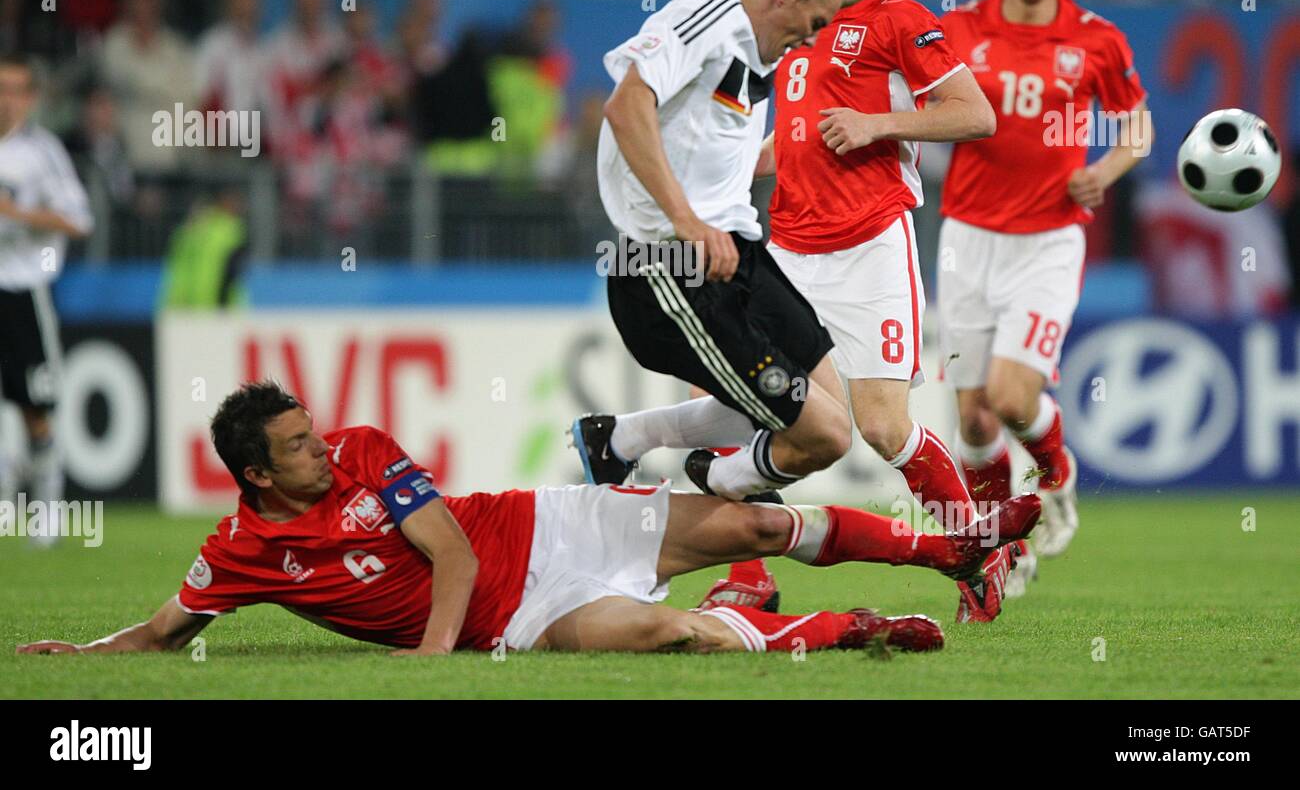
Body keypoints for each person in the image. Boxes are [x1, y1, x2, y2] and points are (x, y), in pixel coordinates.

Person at [17, 381, 1041, 657]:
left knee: (757, 526)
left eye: (314, 433)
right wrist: (89, 653)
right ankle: (844, 628)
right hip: (516, 624)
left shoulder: (366, 449)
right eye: (297, 449)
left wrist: (424, 657)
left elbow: (451, 555)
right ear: (255, 475)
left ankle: (951, 552)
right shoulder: (240, 553)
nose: (323, 450)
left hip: (542, 530)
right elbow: (167, 627)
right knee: (665, 634)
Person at [572, 0, 1009, 505]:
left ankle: (629, 444)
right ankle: (725, 531)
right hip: (684, 257)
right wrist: (688, 216)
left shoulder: (789, 20)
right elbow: (626, 105)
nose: (809, 39)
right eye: (809, 22)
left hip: (795, 244)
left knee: (843, 420)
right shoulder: (714, 18)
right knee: (804, 424)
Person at [761, 0, 1004, 623]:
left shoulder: (901, 18)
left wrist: (878, 124)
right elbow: (793, 135)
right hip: (787, 251)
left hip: (870, 247)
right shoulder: (792, 24)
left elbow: (976, 115)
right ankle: (745, 577)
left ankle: (976, 562)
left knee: (884, 427)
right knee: (751, 414)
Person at [935, 0, 1153, 583]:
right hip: (967, 236)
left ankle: (1056, 469)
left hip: (1048, 239)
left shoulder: (1097, 41)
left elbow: (1135, 129)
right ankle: (1006, 544)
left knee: (1009, 398)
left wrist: (1102, 172)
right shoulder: (956, 30)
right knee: (971, 420)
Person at [0, 55, 94, 544]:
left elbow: (80, 219)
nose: (6, 98)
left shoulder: (42, 152)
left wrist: (18, 213)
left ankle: (48, 512)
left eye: (15, 88)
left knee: (36, 404)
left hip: (22, 290)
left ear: (30, 97)